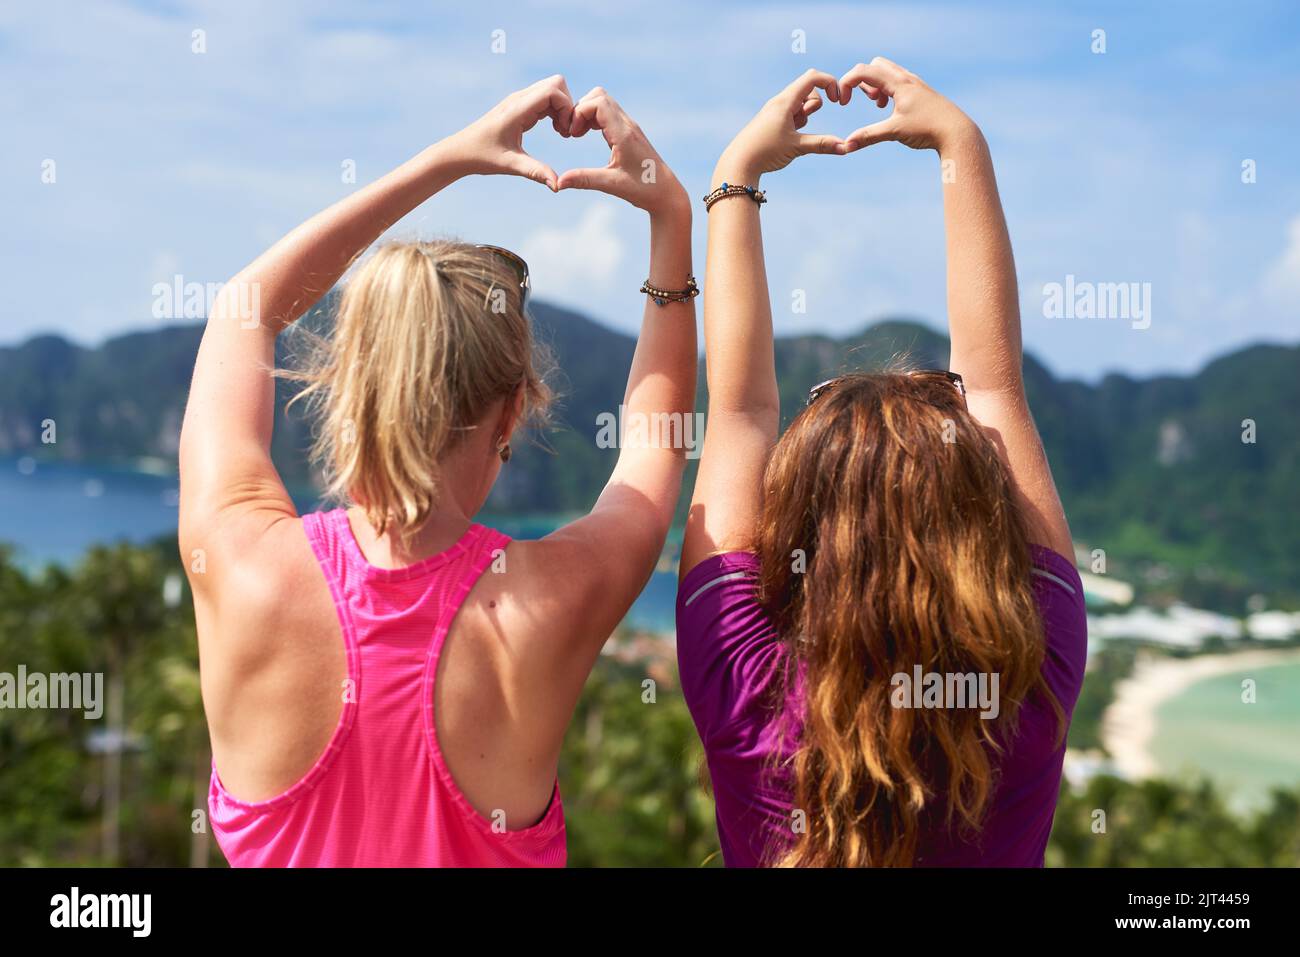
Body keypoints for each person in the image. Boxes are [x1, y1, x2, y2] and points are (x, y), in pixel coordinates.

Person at [178, 77, 697, 866]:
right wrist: (670, 217)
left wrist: (449, 160)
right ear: (512, 410)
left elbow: (243, 311)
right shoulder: (547, 603)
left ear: (349, 381)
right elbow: (654, 445)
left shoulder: (242, 565)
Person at [676, 60, 1087, 867]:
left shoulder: (744, 681)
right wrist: (958, 144)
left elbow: (737, 411)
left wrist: (736, 176)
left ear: (796, 520)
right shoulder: (1029, 684)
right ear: (977, 515)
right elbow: (997, 389)